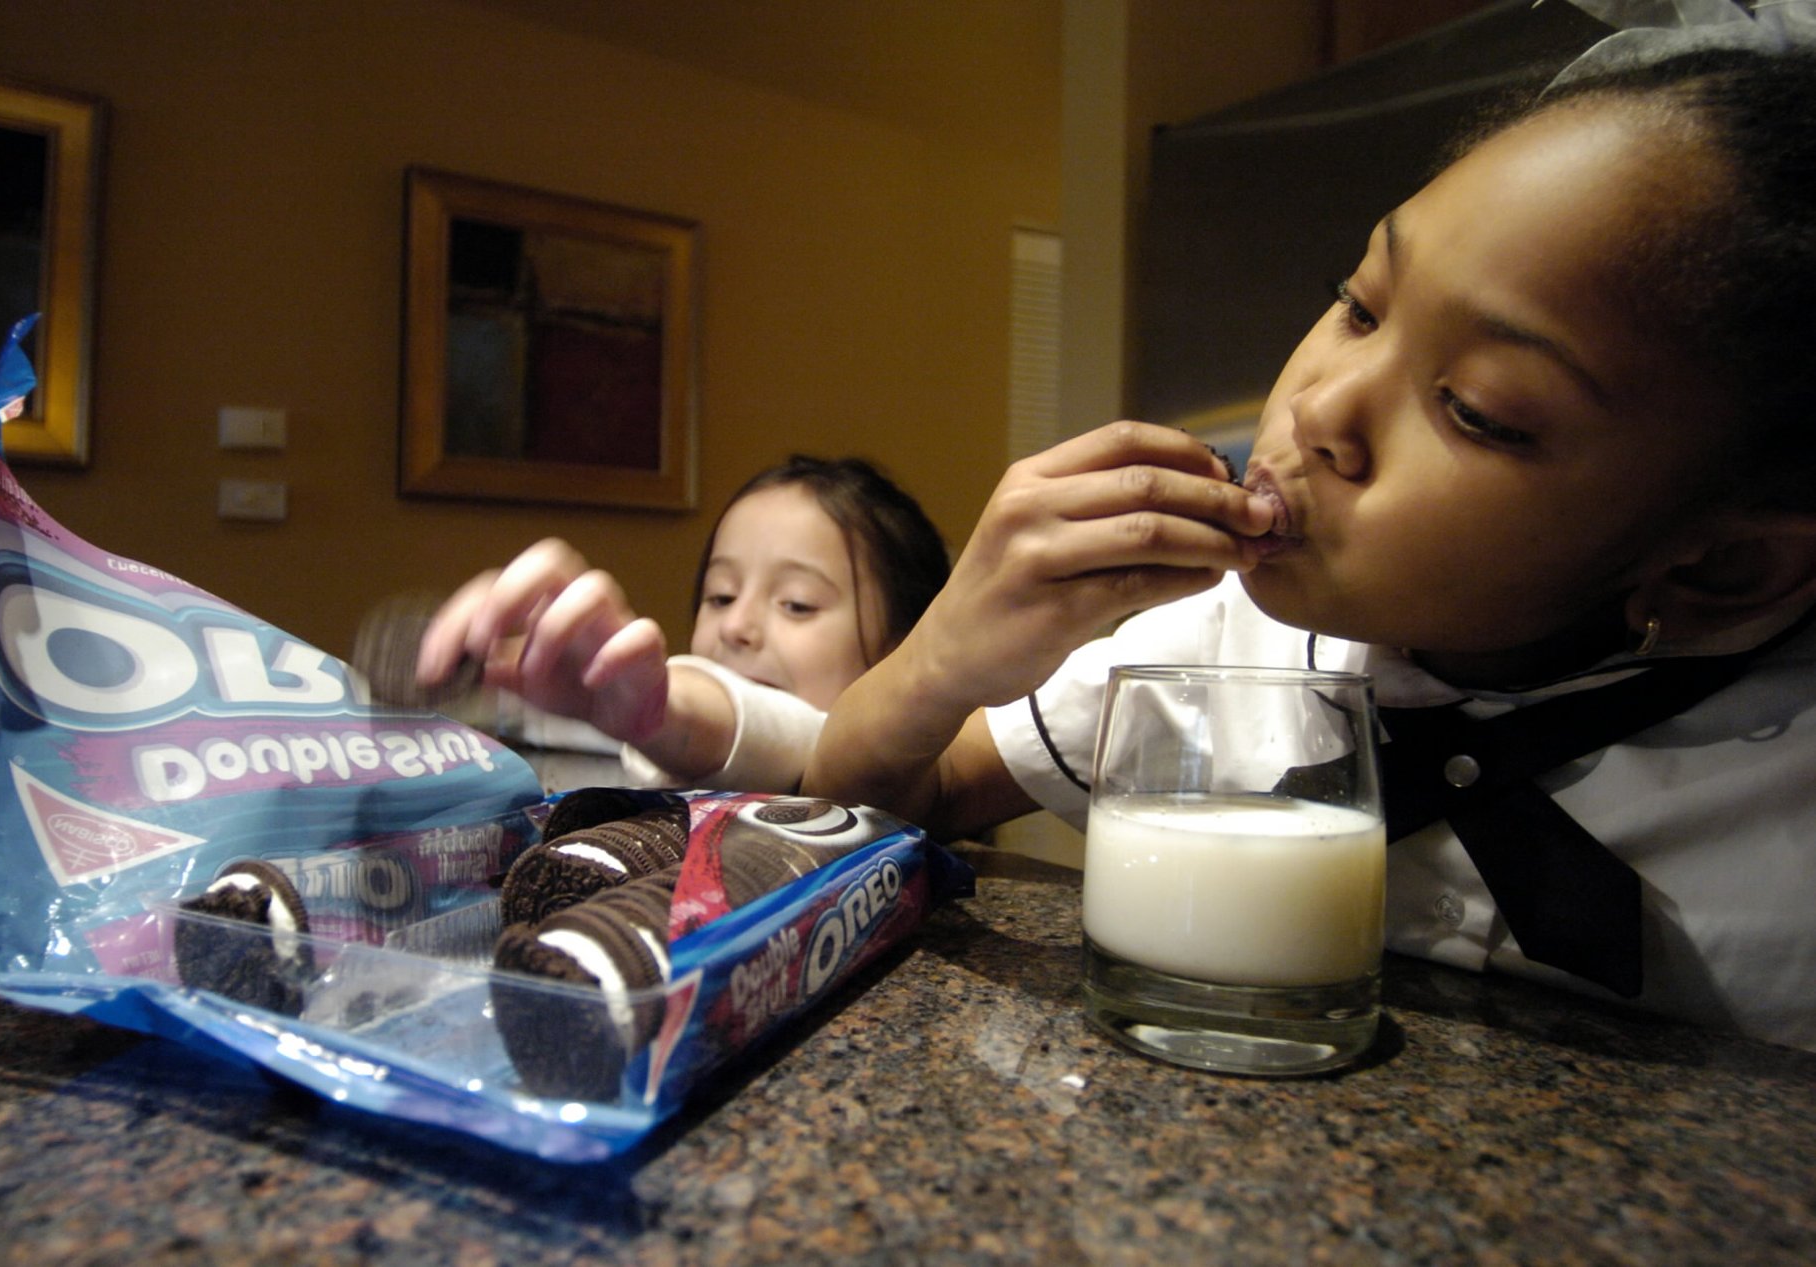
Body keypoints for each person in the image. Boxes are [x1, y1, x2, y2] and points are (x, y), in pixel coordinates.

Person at [804, 29, 1816, 1050]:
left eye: (1477, 410)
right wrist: (942, 659)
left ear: (1722, 563)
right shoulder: (1221, 642)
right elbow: (885, 801)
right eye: (1360, 307)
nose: (1320, 407)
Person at [418, 455, 950, 791]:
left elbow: (796, 737)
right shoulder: (669, 744)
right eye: (720, 596)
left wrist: (666, 710)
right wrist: (497, 659)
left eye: (797, 604)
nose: (735, 625)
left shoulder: (917, 777)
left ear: (904, 653)